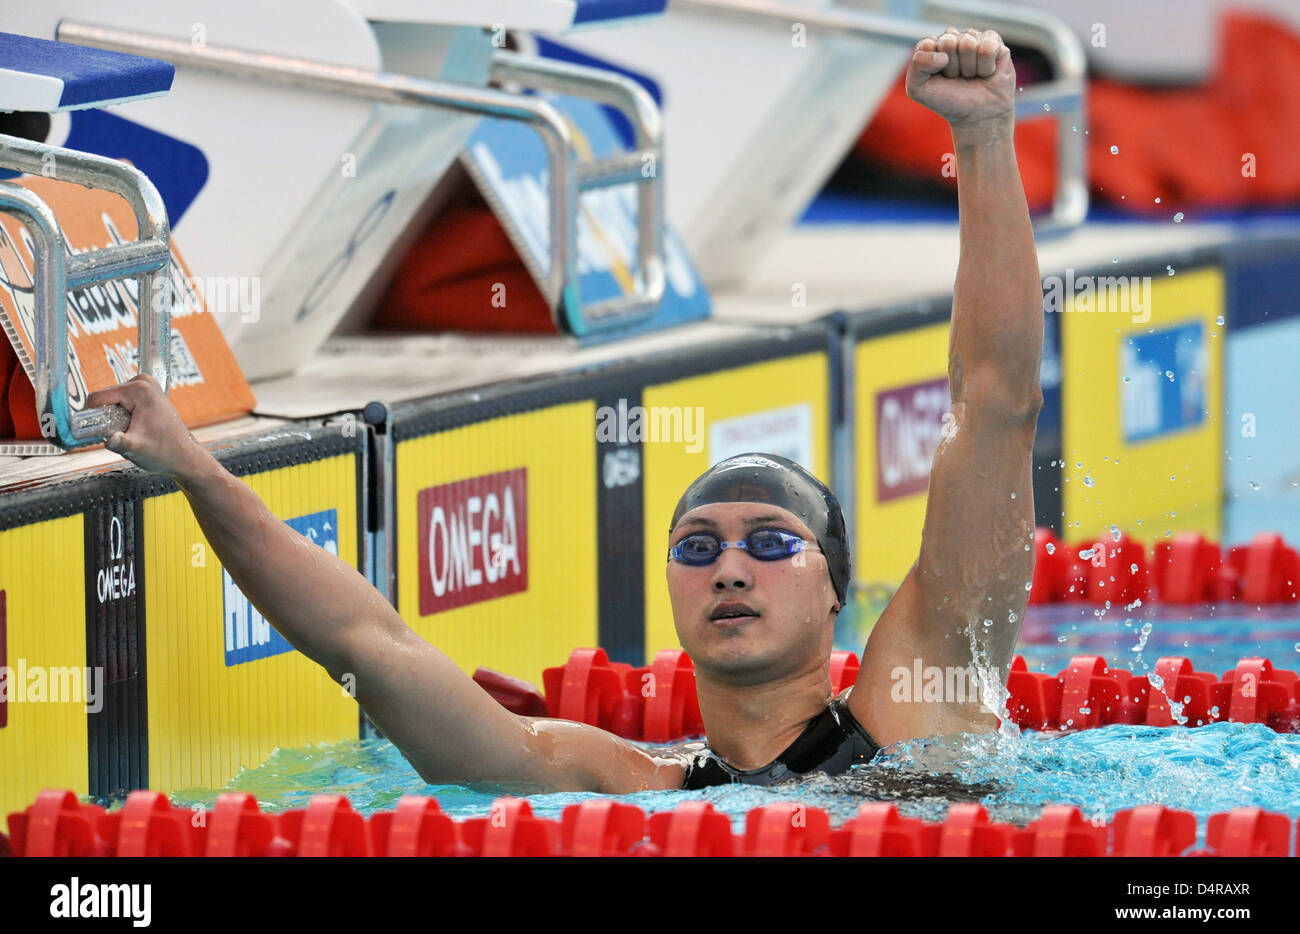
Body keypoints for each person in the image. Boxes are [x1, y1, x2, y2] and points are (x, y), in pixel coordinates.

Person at [89, 26, 1042, 792]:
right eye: (699, 547)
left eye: (770, 541)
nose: (730, 568)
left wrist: (985, 137)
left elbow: (995, 403)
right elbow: (367, 645)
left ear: (837, 586)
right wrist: (195, 467)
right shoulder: (618, 784)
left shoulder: (923, 699)